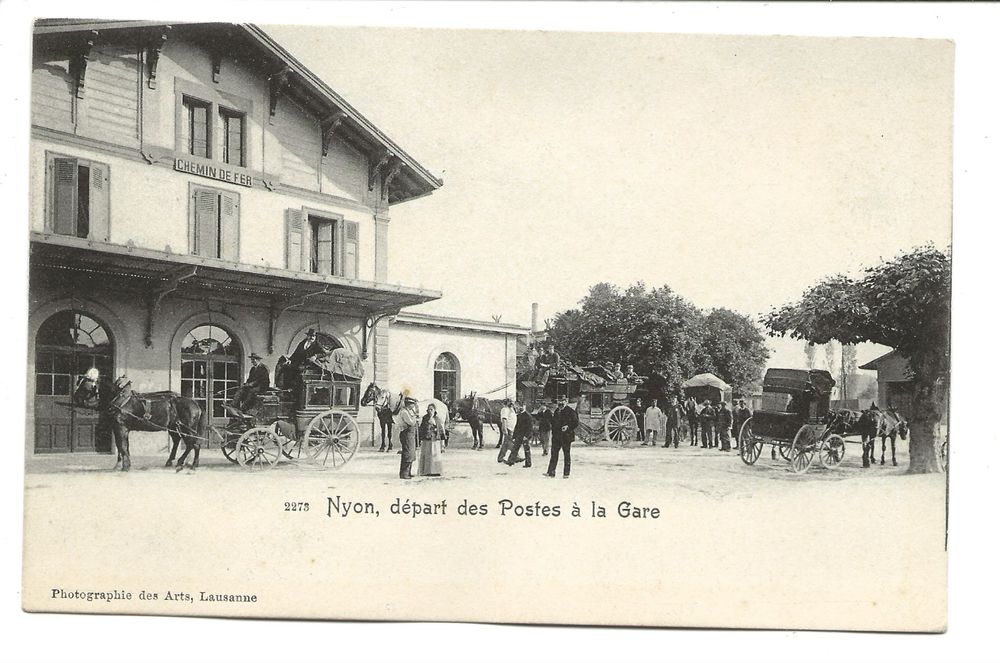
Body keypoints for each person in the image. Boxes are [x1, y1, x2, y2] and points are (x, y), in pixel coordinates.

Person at [546, 395, 579, 478]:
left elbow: (575, 422)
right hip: (556, 437)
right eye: (559, 401)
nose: (560, 403)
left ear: (566, 401)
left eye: (562, 401)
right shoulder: (557, 411)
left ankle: (566, 473)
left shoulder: (571, 411)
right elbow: (554, 422)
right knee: (554, 454)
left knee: (566, 455)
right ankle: (551, 472)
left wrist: (568, 426)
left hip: (566, 437)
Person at [418, 403, 445, 476]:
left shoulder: (437, 419)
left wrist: (442, 443)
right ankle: (427, 471)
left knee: (434, 455)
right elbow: (422, 428)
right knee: (427, 455)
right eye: (428, 409)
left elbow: (441, 430)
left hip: (435, 440)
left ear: (434, 410)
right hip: (427, 440)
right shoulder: (425, 418)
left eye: (431, 409)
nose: (430, 411)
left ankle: (435, 471)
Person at [505, 403, 534, 468]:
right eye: (519, 406)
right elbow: (516, 427)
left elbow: (530, 428)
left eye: (522, 406)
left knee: (527, 450)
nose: (520, 407)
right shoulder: (518, 416)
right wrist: (514, 436)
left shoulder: (528, 416)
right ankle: (511, 461)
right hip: (519, 436)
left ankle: (528, 463)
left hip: (524, 436)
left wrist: (526, 436)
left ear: (525, 406)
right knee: (515, 448)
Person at [398, 397, 419, 479]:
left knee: (411, 453)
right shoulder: (404, 412)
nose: (413, 406)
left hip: (411, 434)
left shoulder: (409, 411)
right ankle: (404, 474)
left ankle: (408, 472)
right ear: (409, 404)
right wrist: (415, 418)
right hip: (406, 434)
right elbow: (411, 422)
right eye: (412, 404)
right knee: (407, 453)